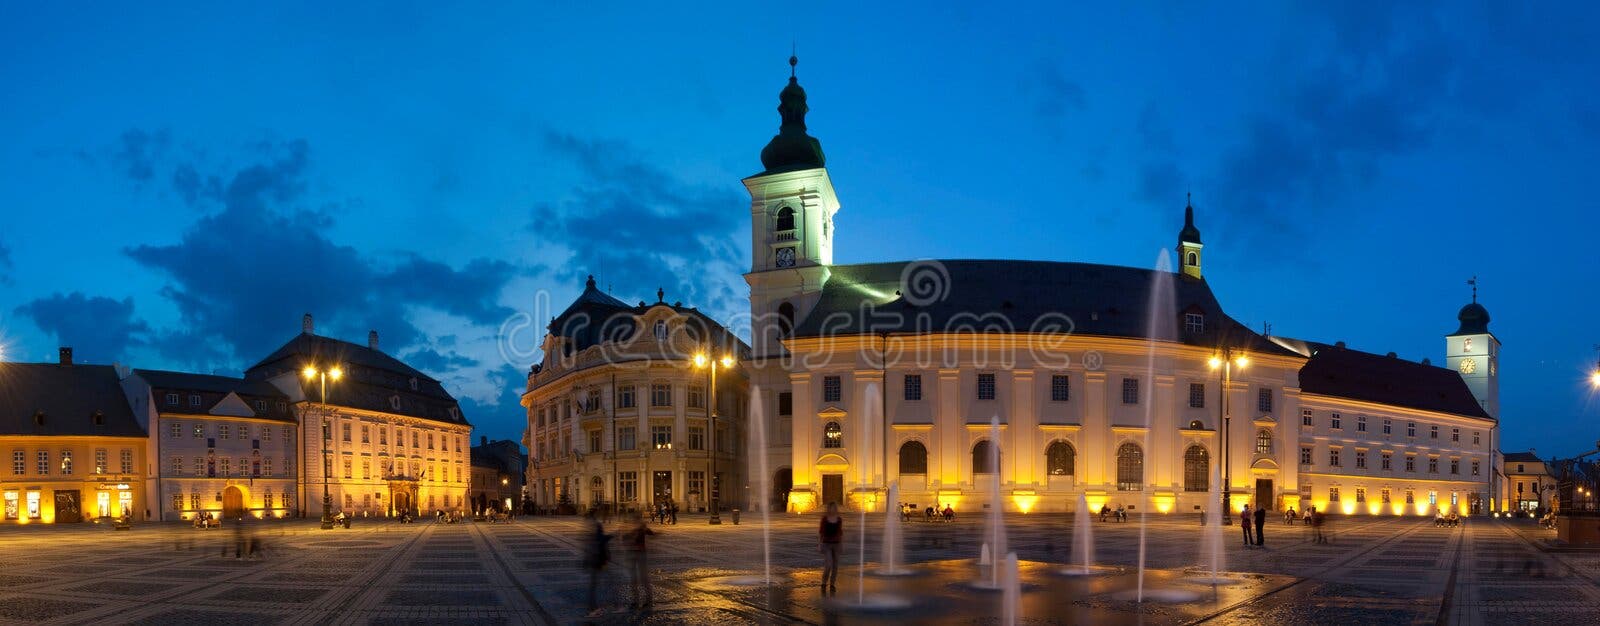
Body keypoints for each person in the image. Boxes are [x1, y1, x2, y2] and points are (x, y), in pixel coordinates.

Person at [624, 511, 655, 610]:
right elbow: (625, 538)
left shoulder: (641, 526)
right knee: (634, 578)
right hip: (633, 554)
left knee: (643, 578)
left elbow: (650, 533)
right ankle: (636, 600)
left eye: (636, 518)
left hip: (640, 554)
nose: (635, 520)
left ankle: (647, 599)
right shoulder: (632, 526)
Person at [582, 511, 611, 617]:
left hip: (595, 559)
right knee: (606, 581)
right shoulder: (596, 526)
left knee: (595, 583)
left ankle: (592, 606)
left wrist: (585, 559)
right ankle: (593, 607)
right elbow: (601, 541)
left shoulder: (589, 527)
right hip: (598, 559)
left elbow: (589, 544)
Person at [819, 502, 843, 594]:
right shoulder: (825, 519)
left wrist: (841, 544)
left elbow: (840, 532)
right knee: (828, 565)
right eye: (831, 508)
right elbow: (821, 532)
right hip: (826, 544)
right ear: (828, 509)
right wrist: (820, 543)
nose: (832, 509)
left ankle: (832, 584)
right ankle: (824, 583)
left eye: (834, 508)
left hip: (836, 544)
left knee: (835, 566)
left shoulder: (839, 519)